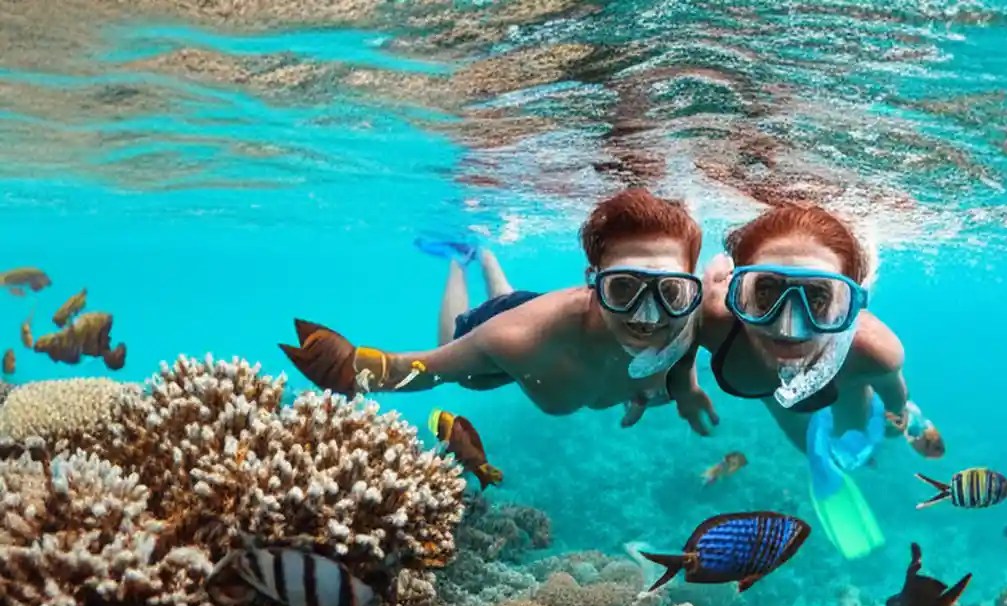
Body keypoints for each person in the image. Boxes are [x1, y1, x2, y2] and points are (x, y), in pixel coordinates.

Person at [279, 188, 720, 435]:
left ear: (690, 287)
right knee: (457, 352)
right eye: (623, 288)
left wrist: (685, 387)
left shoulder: (690, 315)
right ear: (593, 282)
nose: (648, 315)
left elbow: (687, 335)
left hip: (539, 323)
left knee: (517, 306)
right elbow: (425, 368)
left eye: (670, 291)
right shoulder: (516, 338)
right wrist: (350, 370)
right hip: (523, 322)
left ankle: (489, 259)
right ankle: (460, 257)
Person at [671, 202, 943, 559]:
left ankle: (911, 417)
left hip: (845, 386)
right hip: (776, 396)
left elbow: (894, 390)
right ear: (740, 294)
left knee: (858, 443)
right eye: (765, 292)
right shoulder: (714, 318)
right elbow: (680, 340)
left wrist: (898, 416)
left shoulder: (870, 351)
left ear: (848, 307)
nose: (788, 328)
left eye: (817, 297)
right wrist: (686, 390)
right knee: (812, 450)